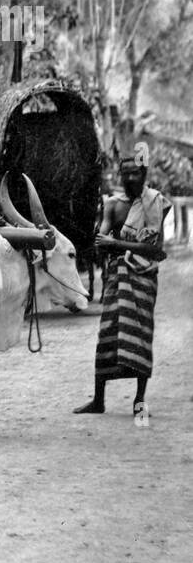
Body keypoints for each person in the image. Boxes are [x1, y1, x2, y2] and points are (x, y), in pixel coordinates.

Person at [75, 150, 171, 417]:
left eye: (135, 173)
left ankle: (139, 402)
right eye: (126, 173)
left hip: (143, 277)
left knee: (141, 336)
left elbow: (154, 249)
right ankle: (98, 400)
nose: (130, 177)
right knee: (108, 334)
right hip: (117, 278)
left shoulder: (155, 202)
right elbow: (101, 238)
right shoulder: (112, 205)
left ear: (144, 174)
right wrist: (100, 239)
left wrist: (116, 243)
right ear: (120, 175)